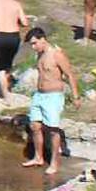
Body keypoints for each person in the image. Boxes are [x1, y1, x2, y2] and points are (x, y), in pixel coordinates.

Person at [24, 28, 76, 175]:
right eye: (31, 44)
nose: (33, 47)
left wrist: (76, 96)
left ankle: (54, 162)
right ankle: (38, 157)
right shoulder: (39, 55)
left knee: (53, 130)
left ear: (43, 39)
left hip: (53, 96)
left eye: (34, 43)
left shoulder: (56, 54)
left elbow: (69, 75)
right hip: (39, 95)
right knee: (35, 126)